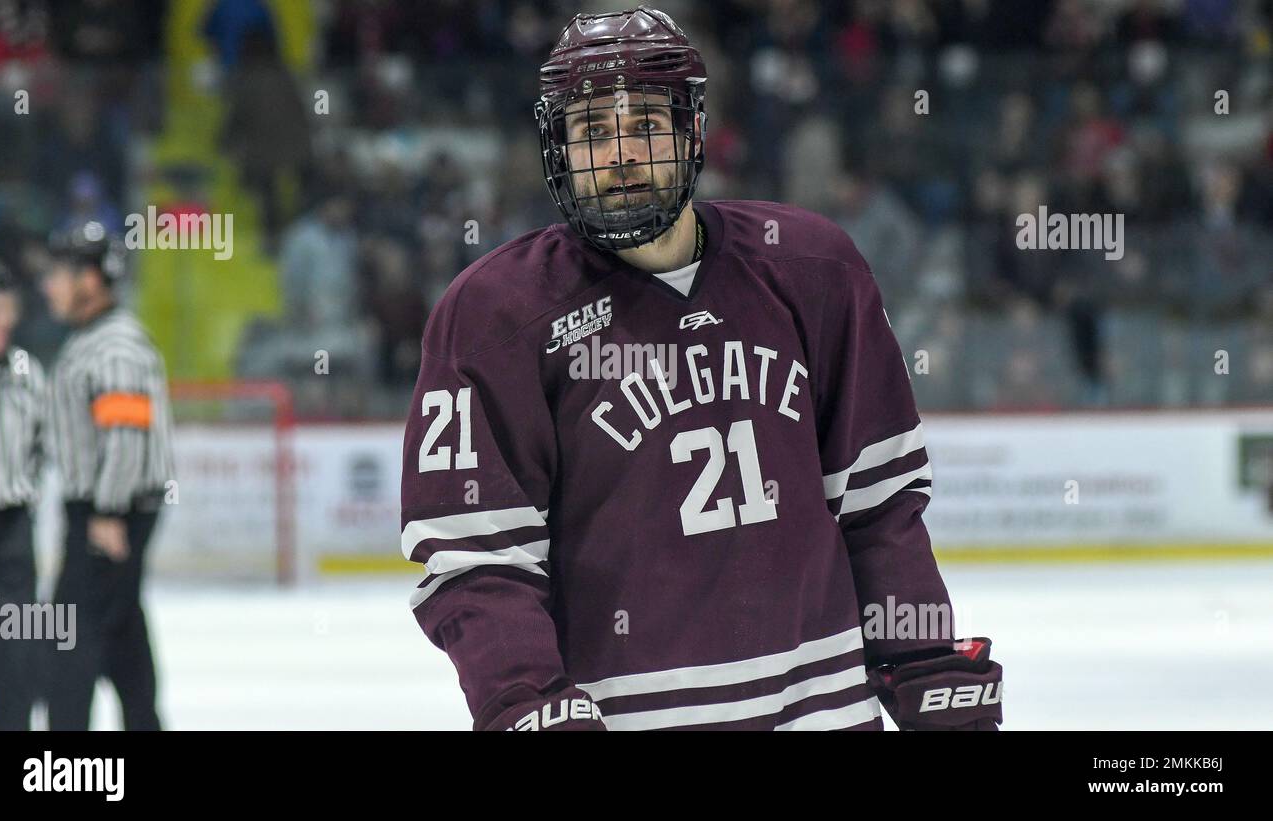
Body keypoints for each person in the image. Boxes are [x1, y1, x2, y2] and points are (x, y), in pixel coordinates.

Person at [399, 6, 1003, 731]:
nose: (620, 154)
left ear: (692, 133)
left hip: (825, 712)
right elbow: (478, 561)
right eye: (593, 131)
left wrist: (923, 660)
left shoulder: (811, 270)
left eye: (646, 126)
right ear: (557, 147)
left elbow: (880, 507)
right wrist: (527, 699)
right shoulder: (499, 316)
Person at [40, 221, 174, 730]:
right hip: (106, 510)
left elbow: (125, 436)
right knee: (121, 638)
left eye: (58, 273)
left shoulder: (114, 346)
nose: (49, 286)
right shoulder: (94, 340)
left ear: (90, 280)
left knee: (70, 641)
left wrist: (108, 512)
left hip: (108, 512)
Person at [0, 254, 46, 730]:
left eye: (8, 308)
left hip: (10, 536)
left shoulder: (27, 373)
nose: (5, 320)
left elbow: (44, 447)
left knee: (14, 662)